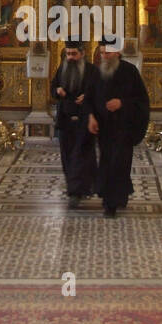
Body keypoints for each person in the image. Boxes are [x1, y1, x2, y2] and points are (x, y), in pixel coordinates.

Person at [87, 33, 150, 217]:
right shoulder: (97, 72)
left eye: (108, 53)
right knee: (107, 163)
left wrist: (121, 103)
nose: (104, 57)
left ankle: (113, 201)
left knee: (119, 164)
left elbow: (141, 101)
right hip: (104, 129)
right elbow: (89, 99)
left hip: (124, 128)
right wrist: (91, 117)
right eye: (102, 53)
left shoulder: (130, 72)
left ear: (117, 53)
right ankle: (112, 199)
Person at [51, 40, 98, 207]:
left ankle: (76, 192)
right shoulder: (62, 69)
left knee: (81, 156)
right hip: (65, 120)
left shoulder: (92, 71)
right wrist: (57, 91)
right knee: (67, 156)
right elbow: (53, 87)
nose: (70, 57)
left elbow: (99, 91)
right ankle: (75, 188)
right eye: (68, 54)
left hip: (84, 121)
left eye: (74, 54)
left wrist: (87, 96)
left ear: (82, 53)